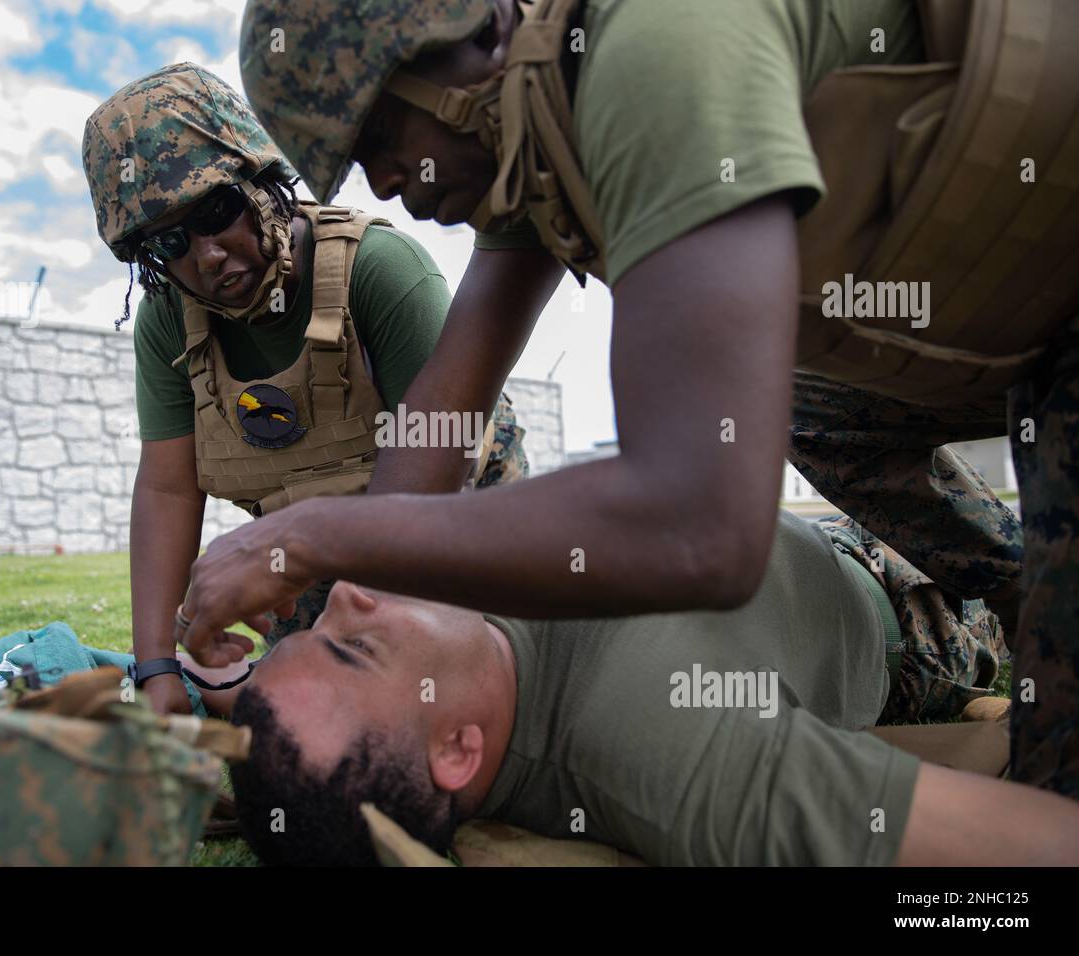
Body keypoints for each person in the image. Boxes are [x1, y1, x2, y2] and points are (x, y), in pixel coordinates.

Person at [166, 0, 1079, 792]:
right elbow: (445, 411)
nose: (388, 189)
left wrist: (306, 534)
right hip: (1014, 331)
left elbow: (699, 524)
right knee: (807, 404)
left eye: (379, 139)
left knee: (1058, 793)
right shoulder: (536, 141)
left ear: (475, 38)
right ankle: (1012, 587)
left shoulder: (653, 49)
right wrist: (345, 613)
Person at [224, 513, 1077, 866]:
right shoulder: (671, 748)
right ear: (456, 750)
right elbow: (1028, 847)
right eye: (355, 649)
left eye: (311, 628)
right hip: (915, 606)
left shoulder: (464, 633)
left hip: (818, 527)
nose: (342, 594)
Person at [80, 63, 528, 714]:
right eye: (171, 240)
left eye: (218, 211)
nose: (206, 256)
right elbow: (167, 486)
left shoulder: (379, 273)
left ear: (262, 184)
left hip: (460, 536)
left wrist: (294, 558)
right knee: (289, 709)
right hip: (316, 560)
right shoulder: (169, 320)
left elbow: (438, 487)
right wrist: (157, 672)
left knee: (414, 709)